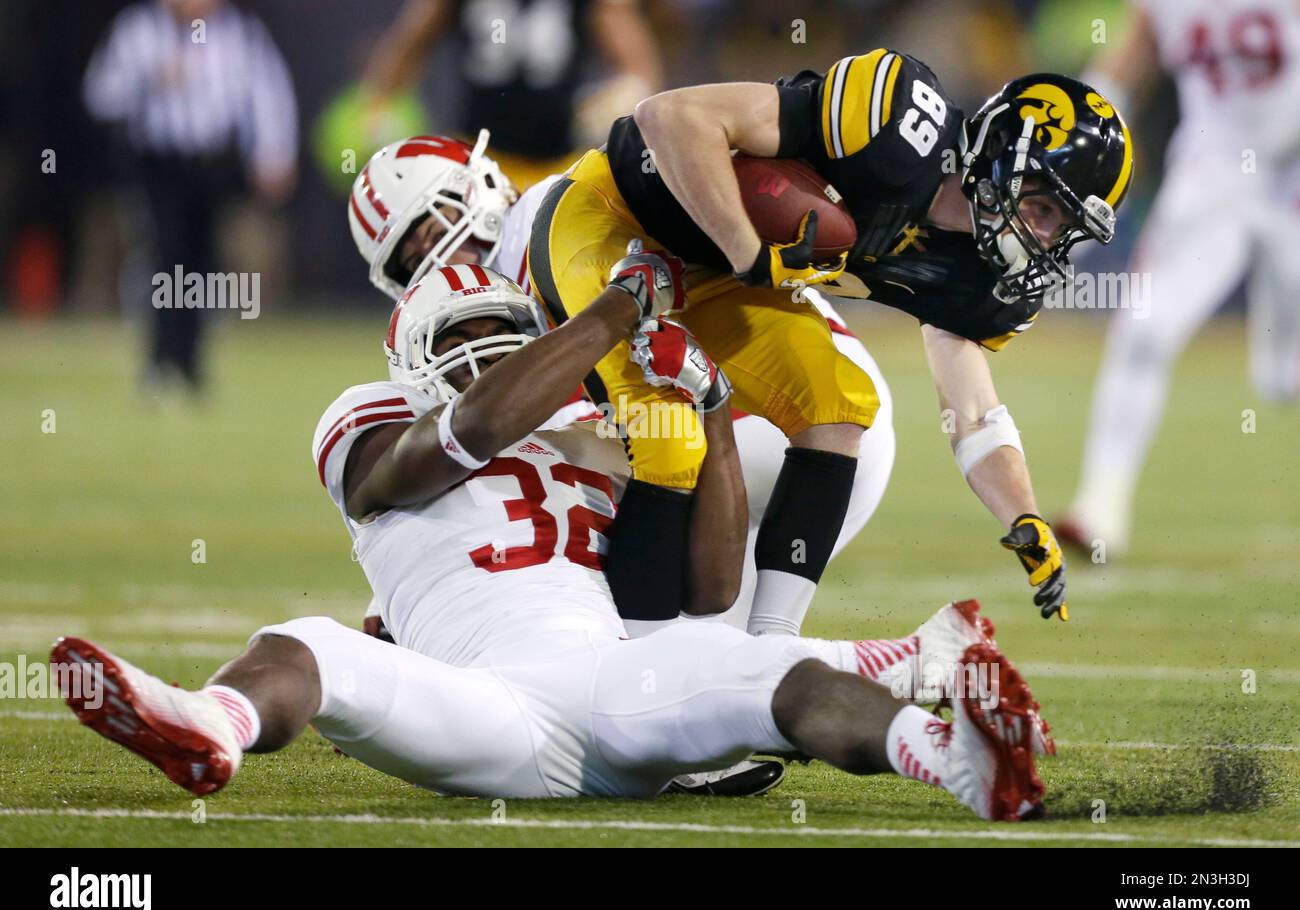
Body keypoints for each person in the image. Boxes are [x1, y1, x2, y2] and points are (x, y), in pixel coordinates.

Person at [54, 253, 1053, 821]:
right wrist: (615, 311)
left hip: (612, 684)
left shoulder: (599, 440)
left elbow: (706, 593)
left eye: (505, 334)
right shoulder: (372, 424)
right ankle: (208, 724)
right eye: (462, 339)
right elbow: (473, 429)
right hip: (478, 703)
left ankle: (949, 752)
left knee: (764, 672)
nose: (487, 352)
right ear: (409, 359)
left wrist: (703, 408)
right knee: (309, 644)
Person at [529, 56, 1134, 631]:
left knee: (838, 404)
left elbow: (971, 409)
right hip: (618, 221)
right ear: (1002, 157)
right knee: (670, 439)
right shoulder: (895, 123)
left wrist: (1022, 515)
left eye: (1065, 226)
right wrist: (747, 250)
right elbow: (668, 116)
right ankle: (638, 674)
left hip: (716, 278)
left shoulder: (980, 272)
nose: (1046, 238)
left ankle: (772, 648)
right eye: (1044, 207)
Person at [347, 133, 895, 639]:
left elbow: (504, 440)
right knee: (724, 672)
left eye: (432, 225)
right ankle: (844, 664)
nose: (435, 253)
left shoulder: (543, 220)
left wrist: (398, 589)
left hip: (747, 421)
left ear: (480, 186)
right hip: (833, 443)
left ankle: (631, 688)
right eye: (413, 257)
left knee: (556, 469)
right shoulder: (555, 223)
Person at [1059, 0, 1300, 557]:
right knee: (1145, 329)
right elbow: (1125, 64)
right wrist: (1076, 126)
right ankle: (1102, 505)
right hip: (1212, 170)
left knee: (1281, 379)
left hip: (1293, 170)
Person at [83, 0, 297, 394]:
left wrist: (274, 151)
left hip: (211, 164)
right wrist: (148, 77)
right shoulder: (139, 30)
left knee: (202, 263)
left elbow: (268, 92)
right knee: (166, 256)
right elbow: (100, 94)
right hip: (159, 163)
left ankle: (190, 362)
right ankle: (160, 359)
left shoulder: (239, 32)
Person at [360, 0, 662, 190]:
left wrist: (625, 93)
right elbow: (410, 43)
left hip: (559, 164)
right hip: (476, 161)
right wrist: (377, 108)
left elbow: (637, 64)